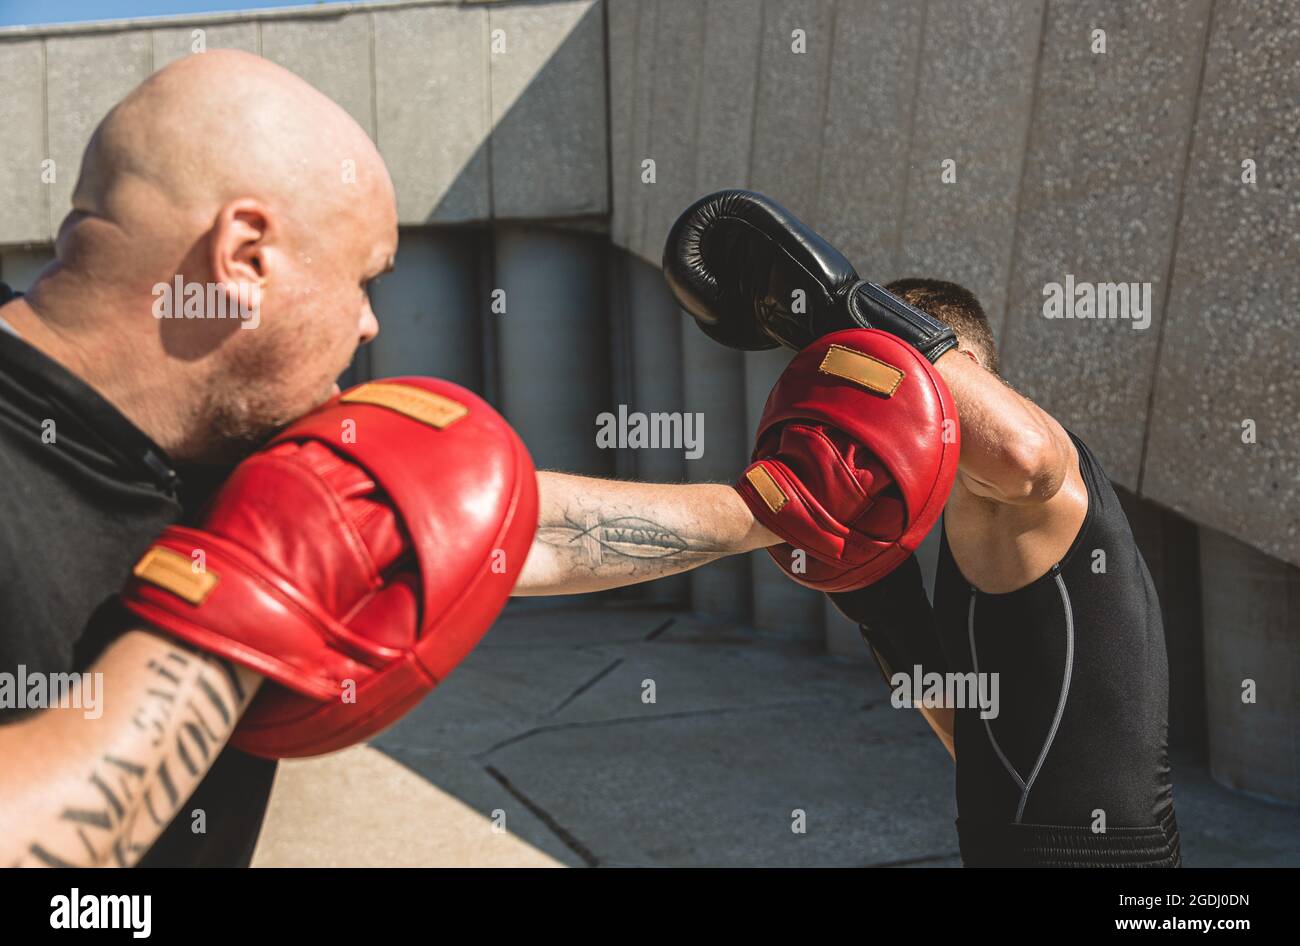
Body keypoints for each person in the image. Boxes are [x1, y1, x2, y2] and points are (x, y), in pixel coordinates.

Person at [0, 51, 781, 868]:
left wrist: (770, 508)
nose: (370, 324)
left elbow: (500, 523)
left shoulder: (224, 428)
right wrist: (232, 623)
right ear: (246, 258)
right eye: (363, 279)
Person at [664, 190, 1180, 867]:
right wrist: (883, 608)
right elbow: (985, 743)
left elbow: (1024, 456)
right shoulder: (973, 512)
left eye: (886, 382)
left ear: (951, 369)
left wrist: (839, 310)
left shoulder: (1032, 486)